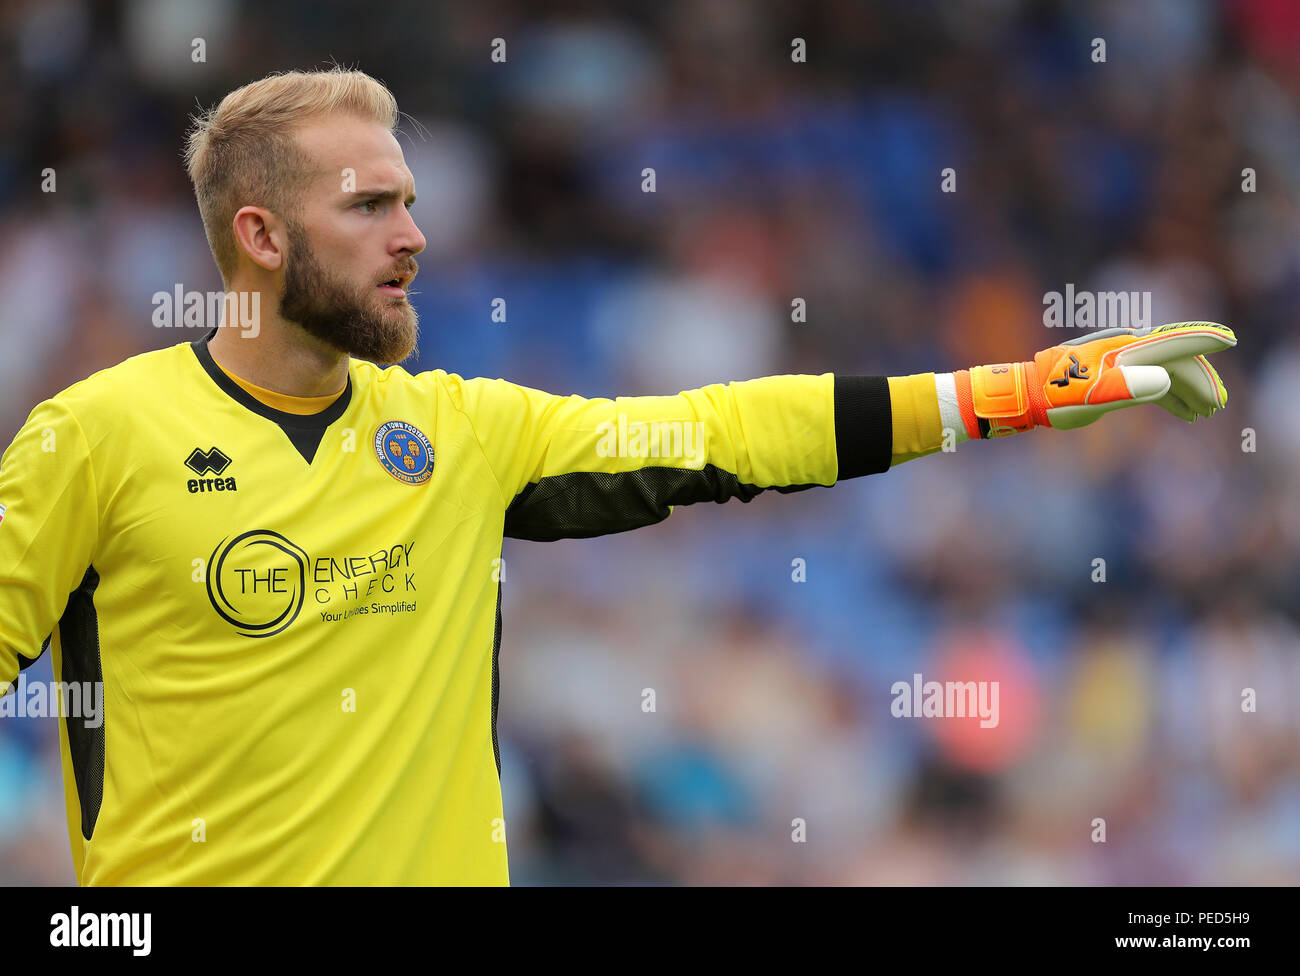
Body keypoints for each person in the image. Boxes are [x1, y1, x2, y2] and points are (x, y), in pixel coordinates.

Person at [0, 67, 1235, 885]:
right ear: (259, 239)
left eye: (413, 203)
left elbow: (724, 433)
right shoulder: (94, 438)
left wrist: (1033, 387)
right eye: (369, 206)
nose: (414, 235)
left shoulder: (461, 434)